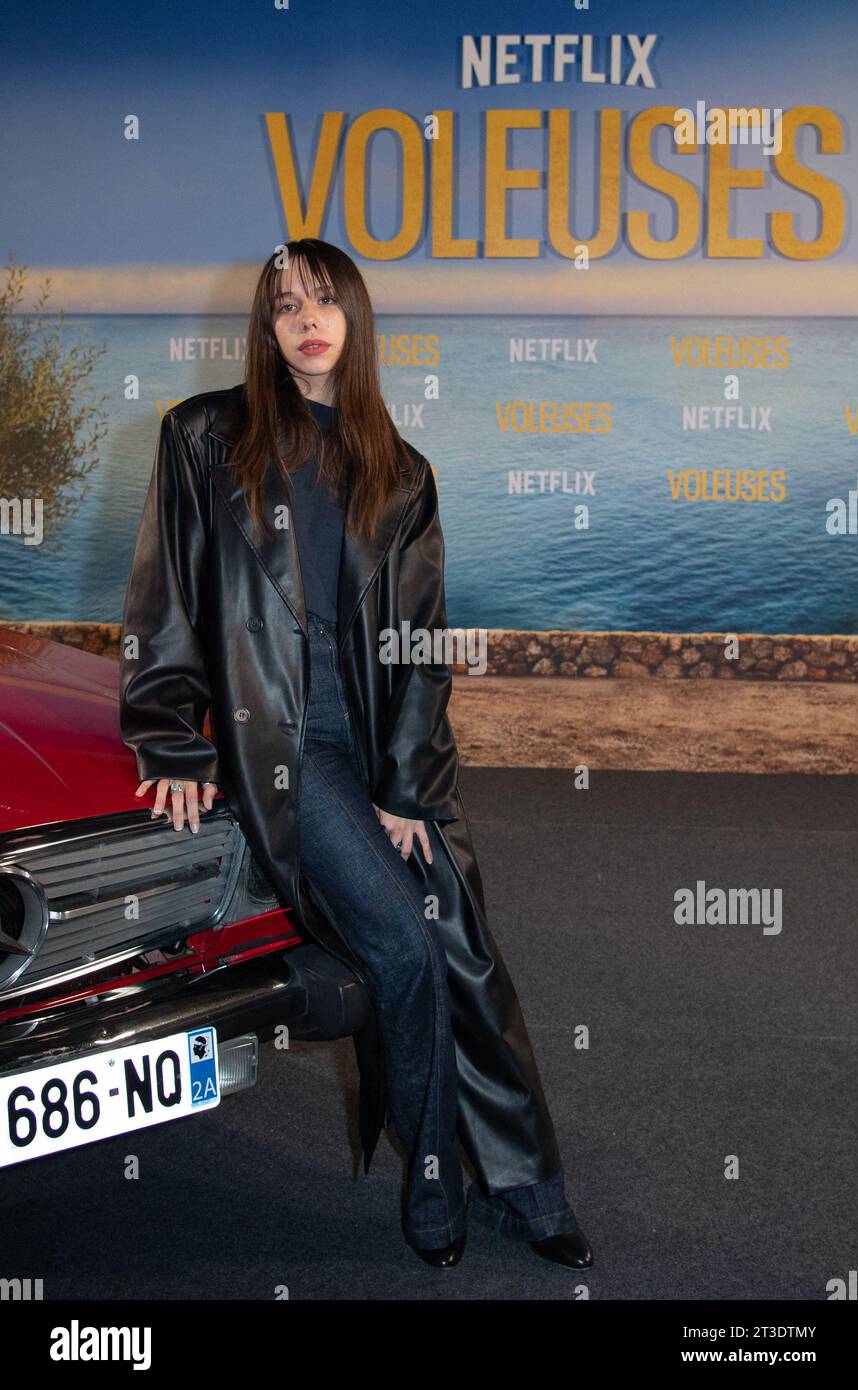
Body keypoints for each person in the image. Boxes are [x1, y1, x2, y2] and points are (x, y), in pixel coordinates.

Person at [119, 237, 593, 1271]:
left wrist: (406, 790)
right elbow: (163, 604)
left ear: (355, 317)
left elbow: (419, 650)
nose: (304, 318)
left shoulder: (404, 472)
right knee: (408, 947)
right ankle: (432, 1190)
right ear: (266, 327)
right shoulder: (204, 436)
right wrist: (170, 739)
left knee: (464, 950)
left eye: (322, 300)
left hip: (376, 749)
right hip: (281, 744)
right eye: (283, 304)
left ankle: (525, 1184)